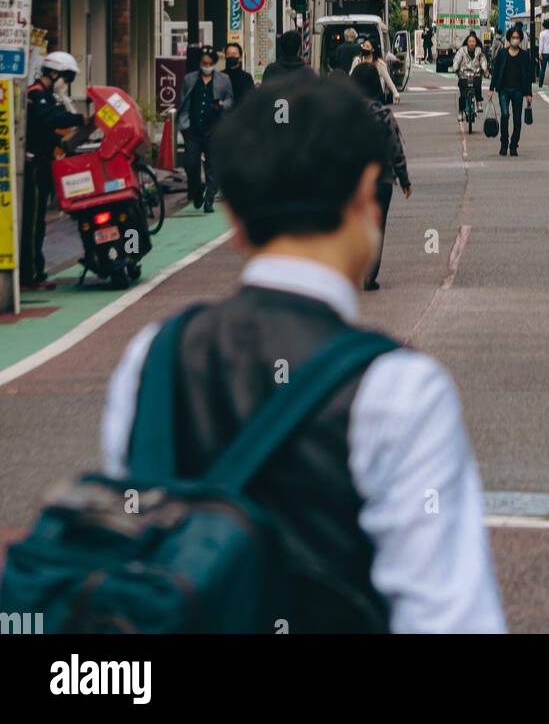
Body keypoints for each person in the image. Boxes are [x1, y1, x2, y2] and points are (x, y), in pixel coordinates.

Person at [99, 71, 504, 633]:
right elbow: (448, 617)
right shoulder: (398, 389)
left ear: (235, 220)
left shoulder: (154, 356)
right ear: (366, 195)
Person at [22, 52, 86, 291]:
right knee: (33, 222)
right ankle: (30, 276)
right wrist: (80, 118)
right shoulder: (35, 96)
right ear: (54, 72)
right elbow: (51, 119)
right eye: (66, 78)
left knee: (38, 222)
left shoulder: (46, 96)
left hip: (45, 163)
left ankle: (36, 272)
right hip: (34, 166)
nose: (66, 83)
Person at [351, 62, 412, 291]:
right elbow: (396, 149)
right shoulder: (383, 114)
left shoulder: (345, 113)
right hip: (382, 179)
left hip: (351, 179)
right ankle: (370, 275)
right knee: (377, 226)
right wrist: (404, 179)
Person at [177, 46, 233, 213]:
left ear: (214, 63)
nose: (206, 65)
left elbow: (230, 98)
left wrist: (222, 104)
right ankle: (196, 190)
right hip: (193, 128)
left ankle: (209, 198)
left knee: (212, 165)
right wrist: (184, 124)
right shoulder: (190, 79)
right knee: (190, 163)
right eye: (203, 62)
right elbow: (184, 101)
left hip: (214, 127)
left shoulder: (224, 79)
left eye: (209, 63)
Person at [489, 24, 533, 157]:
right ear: (509, 38)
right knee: (505, 115)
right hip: (504, 89)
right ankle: (504, 143)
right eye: (513, 37)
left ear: (520, 39)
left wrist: (528, 94)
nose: (515, 39)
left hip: (519, 90)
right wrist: (491, 88)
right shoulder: (502, 53)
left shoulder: (525, 55)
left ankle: (514, 145)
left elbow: (528, 76)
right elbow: (496, 72)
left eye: (517, 37)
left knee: (517, 120)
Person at [350, 39, 400, 103]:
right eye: (363, 46)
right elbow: (351, 75)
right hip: (360, 93)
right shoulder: (357, 61)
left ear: (372, 49)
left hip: (375, 94)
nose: (365, 48)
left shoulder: (379, 63)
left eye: (367, 47)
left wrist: (396, 93)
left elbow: (387, 78)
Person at [452, 32, 488, 120]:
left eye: (473, 41)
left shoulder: (479, 51)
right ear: (467, 42)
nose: (471, 43)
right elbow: (456, 60)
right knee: (463, 95)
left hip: (475, 74)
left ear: (476, 42)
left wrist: (484, 69)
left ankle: (479, 102)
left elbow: (483, 60)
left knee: (478, 84)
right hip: (464, 75)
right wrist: (456, 69)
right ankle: (460, 112)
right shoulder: (462, 50)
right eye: (470, 41)